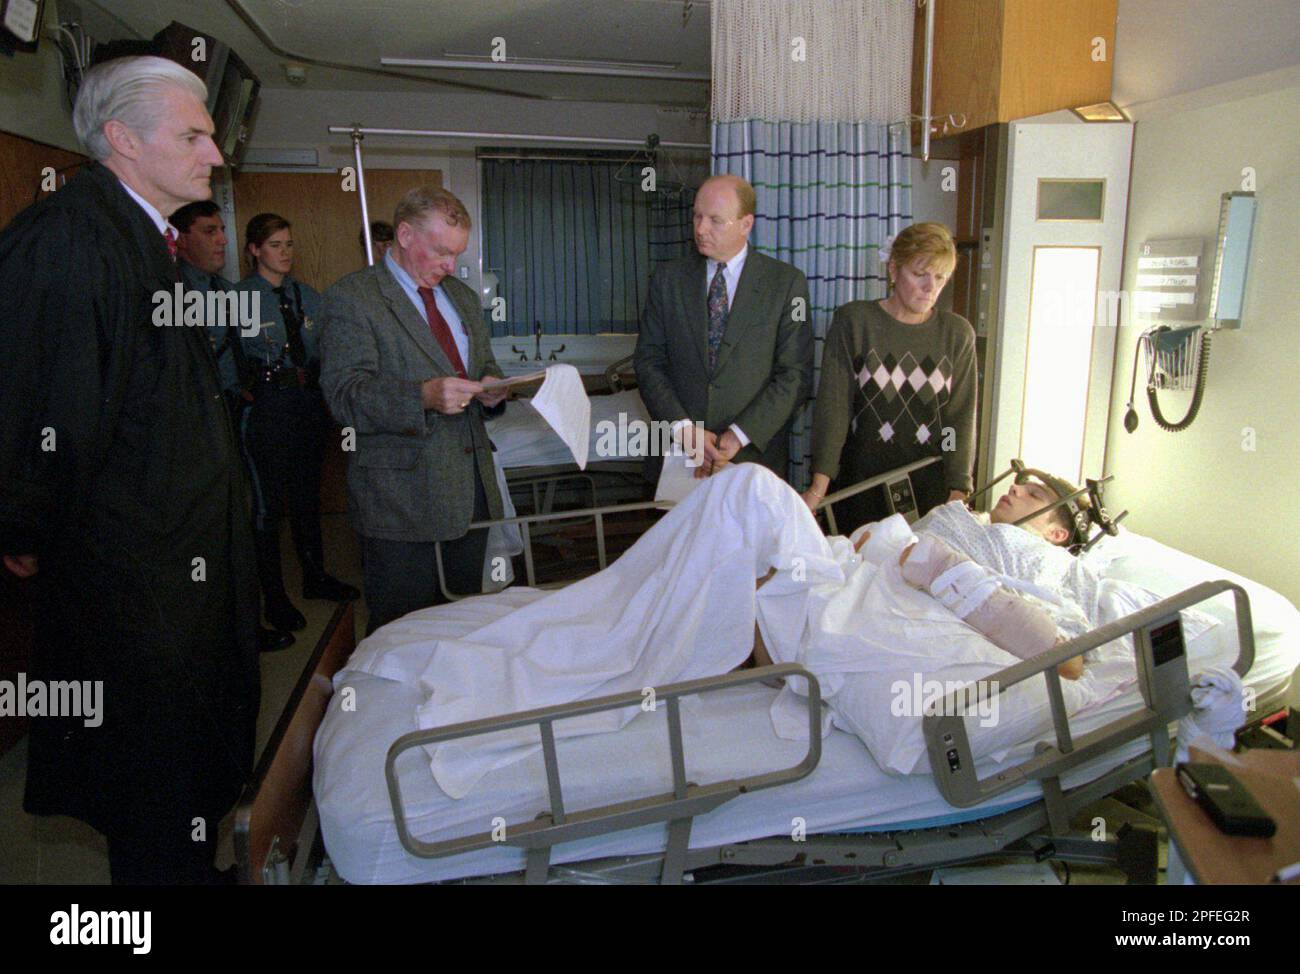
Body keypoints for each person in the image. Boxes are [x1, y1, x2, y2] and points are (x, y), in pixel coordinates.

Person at [0, 56, 259, 884]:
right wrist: (23, 526)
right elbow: (39, 408)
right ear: (123, 138)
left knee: (182, 780)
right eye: (194, 136)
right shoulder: (71, 240)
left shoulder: (143, 239)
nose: (215, 154)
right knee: (149, 784)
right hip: (137, 591)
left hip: (175, 573)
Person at [319, 186, 510, 635]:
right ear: (404, 235)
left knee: (462, 624)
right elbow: (345, 395)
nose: (450, 266)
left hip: (472, 492)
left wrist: (492, 388)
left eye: (457, 254)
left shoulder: (462, 298)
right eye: (442, 252)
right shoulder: (354, 298)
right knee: (401, 632)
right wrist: (422, 397)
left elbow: (483, 365)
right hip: (401, 501)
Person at [633, 173, 813, 483]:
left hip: (751, 459)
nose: (700, 229)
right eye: (697, 216)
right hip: (678, 456)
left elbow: (795, 374)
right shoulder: (667, 280)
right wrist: (683, 429)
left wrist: (739, 435)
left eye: (715, 220)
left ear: (746, 224)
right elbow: (648, 362)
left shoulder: (786, 285)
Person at [173, 199, 295, 653]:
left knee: (241, 520)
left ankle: (248, 621)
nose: (222, 240)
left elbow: (246, 354)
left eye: (222, 230)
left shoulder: (227, 293)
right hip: (189, 430)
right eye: (209, 231)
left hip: (231, 419)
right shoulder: (169, 293)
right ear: (179, 238)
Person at [805, 222, 977, 531]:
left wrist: (958, 488)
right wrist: (818, 488)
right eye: (920, 274)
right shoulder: (855, 322)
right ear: (894, 270)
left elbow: (957, 422)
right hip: (860, 484)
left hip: (929, 490)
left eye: (940, 277)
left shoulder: (957, 335)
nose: (930, 288)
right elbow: (834, 410)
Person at [234, 213, 359, 633]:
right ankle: (273, 597)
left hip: (307, 403)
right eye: (275, 245)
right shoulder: (238, 298)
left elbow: (327, 347)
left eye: (289, 244)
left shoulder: (307, 296)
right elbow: (221, 355)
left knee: (307, 496)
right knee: (268, 506)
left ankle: (315, 577)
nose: (285, 253)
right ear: (254, 250)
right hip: (267, 405)